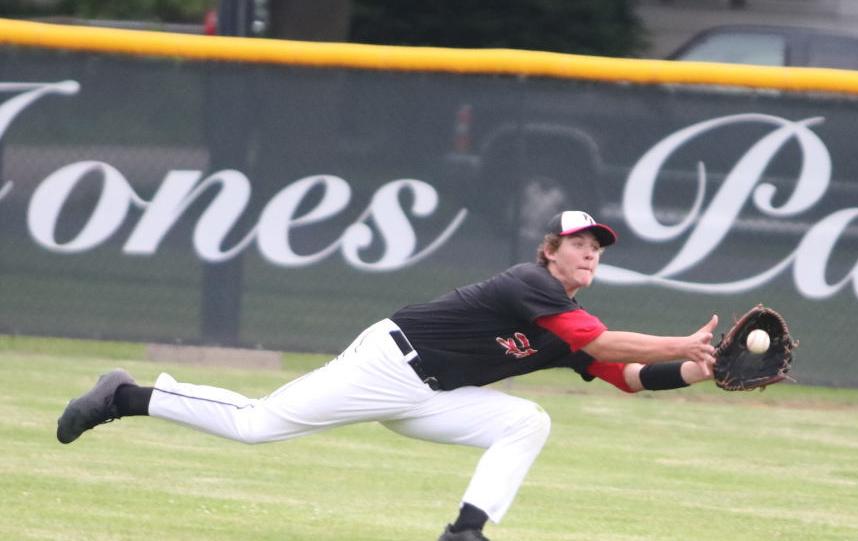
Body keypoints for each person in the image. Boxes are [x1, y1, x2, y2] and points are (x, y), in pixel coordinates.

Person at [56, 210, 719, 541]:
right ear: (550, 249)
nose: (589, 254)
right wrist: (678, 338)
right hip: (389, 362)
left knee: (526, 419)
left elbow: (625, 375)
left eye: (597, 249)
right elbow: (600, 338)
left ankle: (465, 530)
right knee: (257, 425)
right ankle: (125, 395)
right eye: (580, 244)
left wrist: (693, 369)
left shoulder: (564, 321)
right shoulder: (529, 284)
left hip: (431, 395)